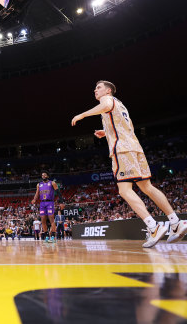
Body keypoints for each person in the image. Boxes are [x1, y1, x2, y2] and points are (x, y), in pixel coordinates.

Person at [72, 80, 187, 248]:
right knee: (147, 187)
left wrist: (82, 115)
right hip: (135, 148)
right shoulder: (121, 105)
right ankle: (176, 222)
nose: (95, 90)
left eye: (98, 88)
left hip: (122, 150)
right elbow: (126, 127)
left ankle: (153, 226)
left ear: (108, 91)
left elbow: (105, 105)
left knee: (124, 190)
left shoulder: (107, 100)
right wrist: (107, 132)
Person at [31, 172, 60, 243]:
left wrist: (61, 202)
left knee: (51, 219)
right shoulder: (39, 184)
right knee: (43, 220)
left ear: (47, 176)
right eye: (42, 175)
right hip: (42, 203)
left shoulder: (52, 183)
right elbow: (37, 193)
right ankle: (46, 235)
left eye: (44, 175)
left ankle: (53, 236)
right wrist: (34, 199)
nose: (43, 176)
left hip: (50, 202)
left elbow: (58, 192)